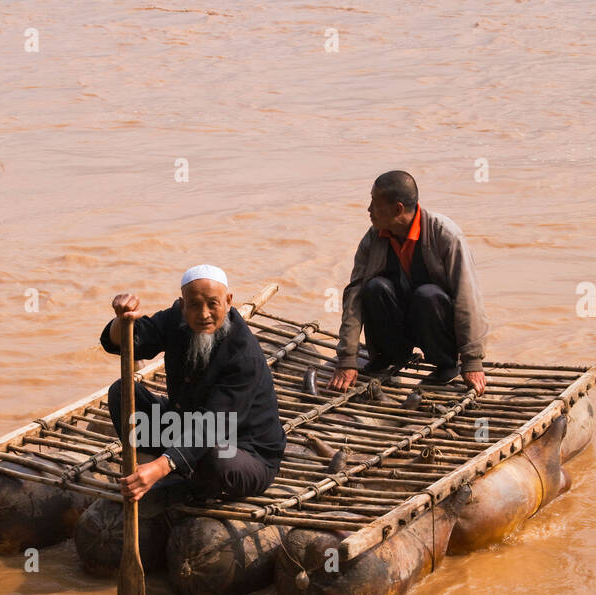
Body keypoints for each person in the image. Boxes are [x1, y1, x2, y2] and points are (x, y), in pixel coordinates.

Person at [100, 264, 286, 514]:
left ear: (229, 301)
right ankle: (150, 474)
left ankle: (172, 474)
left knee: (211, 458)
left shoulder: (243, 355)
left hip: (243, 451)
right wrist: (122, 320)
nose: (204, 314)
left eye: (213, 304)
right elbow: (131, 341)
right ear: (183, 303)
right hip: (184, 426)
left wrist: (163, 465)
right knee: (122, 392)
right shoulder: (176, 318)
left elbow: (213, 426)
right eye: (195, 305)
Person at [328, 170, 489, 396]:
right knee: (374, 288)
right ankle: (388, 359)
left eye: (375, 203)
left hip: (435, 322)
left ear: (398, 209)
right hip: (399, 322)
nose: (369, 210)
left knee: (428, 294)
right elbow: (354, 296)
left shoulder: (445, 235)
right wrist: (347, 357)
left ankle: (445, 366)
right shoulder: (373, 238)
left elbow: (467, 297)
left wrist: (472, 360)